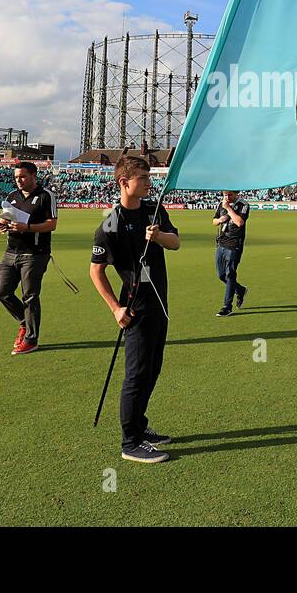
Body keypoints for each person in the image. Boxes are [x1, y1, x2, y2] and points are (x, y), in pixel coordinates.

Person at [90, 156, 180, 464]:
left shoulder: (154, 210)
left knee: (153, 369)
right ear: (124, 182)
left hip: (160, 303)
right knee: (136, 374)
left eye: (147, 177)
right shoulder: (109, 226)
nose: (148, 182)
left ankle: (140, 428)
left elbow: (176, 242)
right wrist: (115, 308)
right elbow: (96, 272)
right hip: (136, 308)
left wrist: (158, 236)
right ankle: (130, 442)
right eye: (142, 178)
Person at [0, 161, 57, 355]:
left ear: (33, 176)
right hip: (11, 252)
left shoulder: (46, 196)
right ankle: (24, 322)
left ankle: (31, 339)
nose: (18, 181)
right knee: (1, 292)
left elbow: (51, 224)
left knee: (30, 296)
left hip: (34, 254)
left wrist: (27, 228)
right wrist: (1, 224)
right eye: (16, 177)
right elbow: (5, 218)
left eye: (22, 177)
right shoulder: (12, 196)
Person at [212, 190, 250, 317]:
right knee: (221, 275)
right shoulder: (221, 204)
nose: (227, 197)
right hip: (221, 243)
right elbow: (214, 221)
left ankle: (227, 307)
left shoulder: (243, 205)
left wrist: (228, 209)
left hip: (234, 245)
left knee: (230, 275)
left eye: (230, 195)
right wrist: (219, 220)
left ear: (236, 194)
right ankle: (240, 289)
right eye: (225, 195)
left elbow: (239, 222)